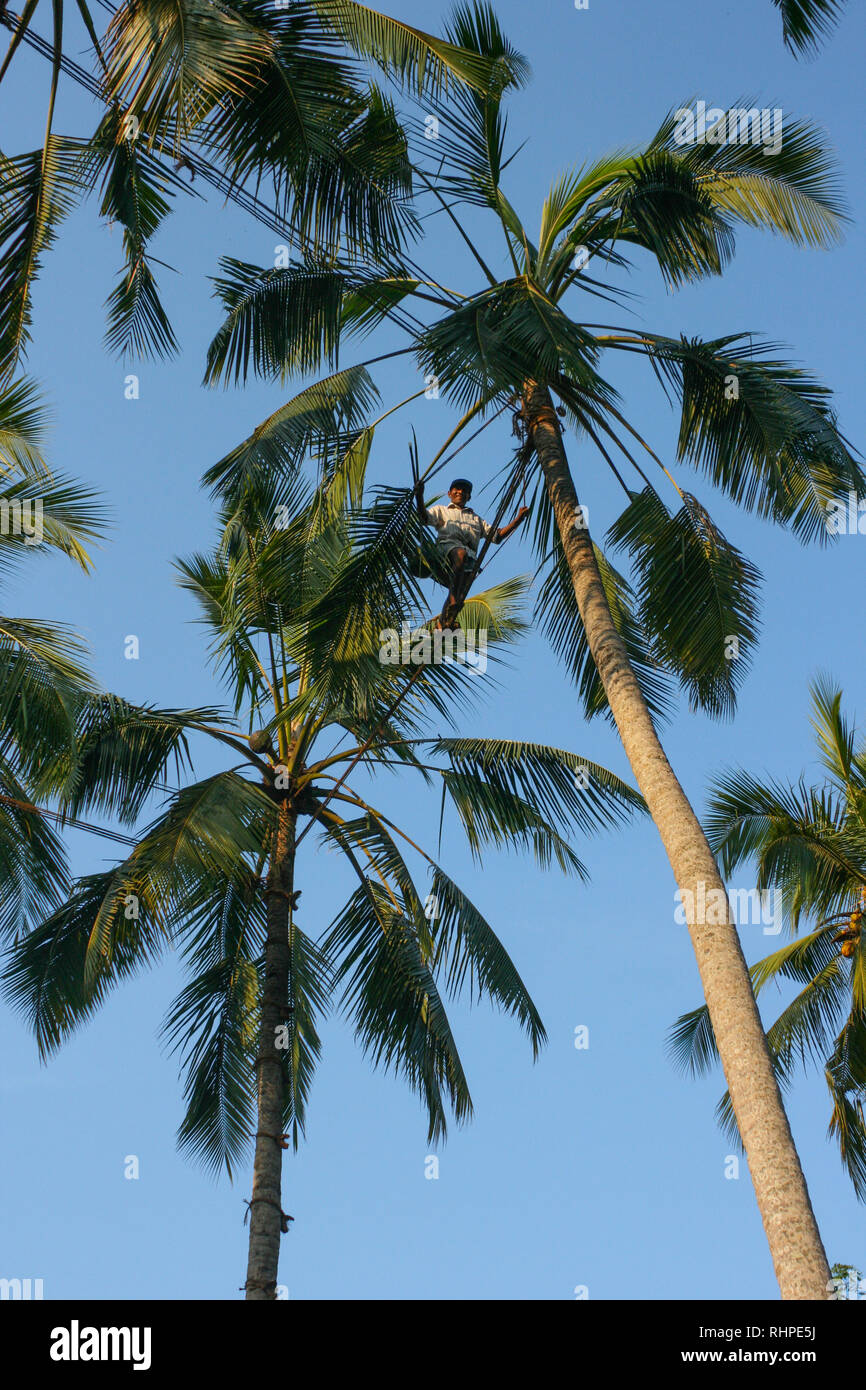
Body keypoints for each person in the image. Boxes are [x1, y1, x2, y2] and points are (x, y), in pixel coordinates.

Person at [415, 477, 530, 628]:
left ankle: (443, 623)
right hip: (446, 550)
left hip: (468, 562)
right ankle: (453, 603)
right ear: (449, 493)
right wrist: (419, 496)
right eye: (457, 489)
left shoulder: (476, 519)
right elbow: (424, 517)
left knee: (458, 591)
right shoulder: (441, 510)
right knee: (460, 558)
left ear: (469, 497)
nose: (460, 492)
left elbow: (497, 536)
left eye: (465, 491)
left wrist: (518, 520)